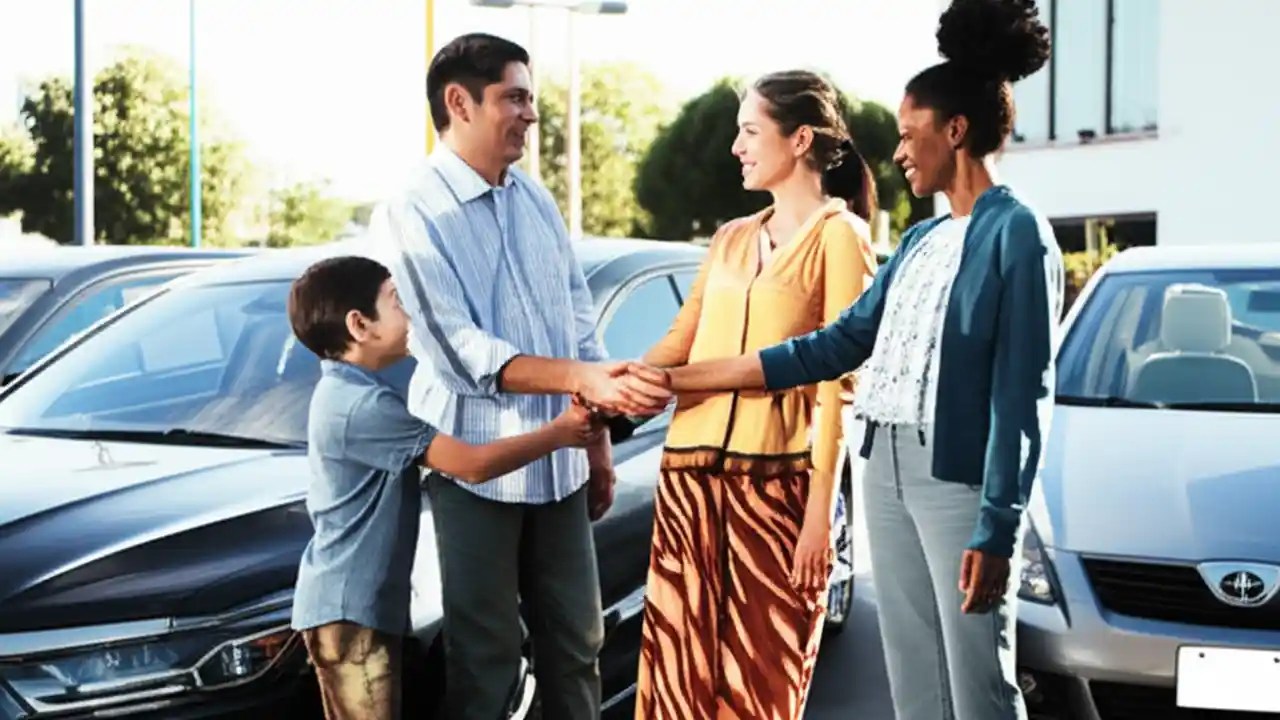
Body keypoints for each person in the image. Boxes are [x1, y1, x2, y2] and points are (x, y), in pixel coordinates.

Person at [632, 2, 1065, 718]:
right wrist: (675, 381)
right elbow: (830, 347)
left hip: (954, 478)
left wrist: (998, 527)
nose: (897, 153)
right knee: (916, 680)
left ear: (954, 132)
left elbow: (1023, 400)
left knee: (978, 683)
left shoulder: (1017, 234)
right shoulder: (923, 244)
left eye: (909, 136)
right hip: (886, 472)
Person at [367, 32, 668, 720]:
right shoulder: (411, 211)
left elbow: (577, 318)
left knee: (579, 642)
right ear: (458, 102)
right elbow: (457, 351)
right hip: (477, 473)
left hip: (560, 470)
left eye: (531, 98)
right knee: (487, 657)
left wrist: (595, 442)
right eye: (516, 97)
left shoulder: (534, 200)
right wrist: (585, 383)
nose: (531, 115)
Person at [633, 70, 878, 720]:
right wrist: (608, 389)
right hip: (688, 483)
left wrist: (819, 515)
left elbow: (837, 382)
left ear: (799, 139)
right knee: (676, 685)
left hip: (776, 489)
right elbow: (679, 339)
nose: (736, 147)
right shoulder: (731, 238)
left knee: (761, 687)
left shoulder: (840, 236)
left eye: (749, 131)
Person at [286, 255, 603, 720]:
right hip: (349, 612)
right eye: (396, 301)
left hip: (355, 607)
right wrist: (559, 433)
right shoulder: (361, 406)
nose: (411, 311)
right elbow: (471, 466)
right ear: (359, 324)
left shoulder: (347, 393)